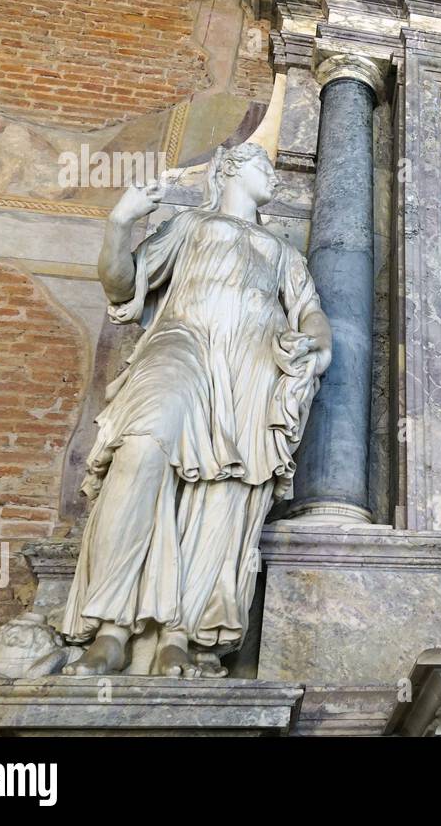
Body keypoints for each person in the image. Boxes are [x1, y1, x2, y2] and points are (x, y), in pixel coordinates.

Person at [61, 142, 331, 677]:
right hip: (182, 344)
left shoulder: (284, 253)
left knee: (223, 498)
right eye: (263, 166)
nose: (273, 178)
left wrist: (314, 345)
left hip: (252, 368)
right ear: (230, 169)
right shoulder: (188, 226)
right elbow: (122, 283)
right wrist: (120, 221)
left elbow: (312, 314)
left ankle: (177, 637)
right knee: (140, 453)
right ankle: (110, 625)